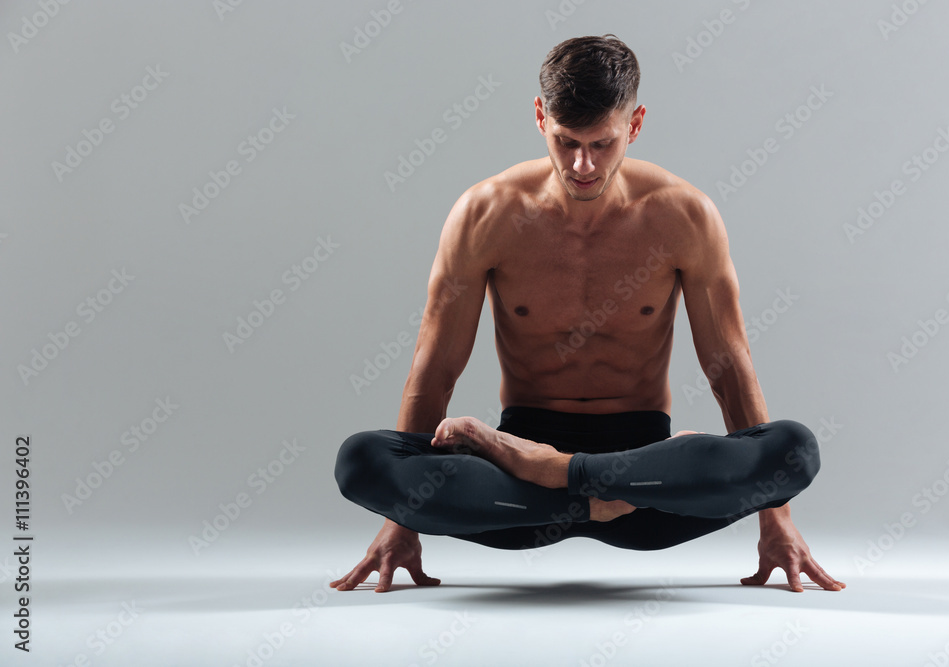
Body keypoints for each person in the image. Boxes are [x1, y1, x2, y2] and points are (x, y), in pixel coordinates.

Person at [333, 34, 845, 594]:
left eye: (602, 143)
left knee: (793, 450)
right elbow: (435, 368)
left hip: (645, 483)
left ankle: (563, 475)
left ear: (635, 124)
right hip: (518, 493)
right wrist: (401, 522)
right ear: (540, 117)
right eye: (566, 142)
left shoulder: (684, 216)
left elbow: (729, 367)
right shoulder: (486, 214)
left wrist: (777, 522)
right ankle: (572, 487)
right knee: (362, 460)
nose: (582, 165)